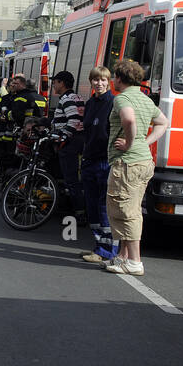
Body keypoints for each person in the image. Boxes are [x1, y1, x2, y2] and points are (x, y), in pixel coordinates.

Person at [103, 59, 168, 276]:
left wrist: (130, 143)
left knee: (126, 211)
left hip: (127, 163)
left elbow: (129, 121)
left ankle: (134, 261)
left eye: (114, 76)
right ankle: (123, 257)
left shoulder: (123, 99)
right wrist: (144, 142)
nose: (113, 80)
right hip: (143, 162)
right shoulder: (144, 98)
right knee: (131, 209)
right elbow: (163, 123)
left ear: (120, 78)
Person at [79, 66, 118, 264]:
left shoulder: (113, 102)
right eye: (95, 80)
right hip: (90, 160)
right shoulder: (91, 103)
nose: (99, 83)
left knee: (104, 208)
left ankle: (106, 250)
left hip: (105, 162)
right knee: (92, 207)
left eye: (103, 80)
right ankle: (98, 246)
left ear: (109, 82)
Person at [49, 70, 86, 222]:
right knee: (73, 178)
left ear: (62, 83)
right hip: (78, 142)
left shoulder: (66, 99)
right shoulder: (75, 97)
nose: (53, 85)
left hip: (70, 144)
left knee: (71, 179)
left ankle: (79, 213)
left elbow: (74, 119)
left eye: (55, 82)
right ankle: (78, 209)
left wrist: (64, 137)